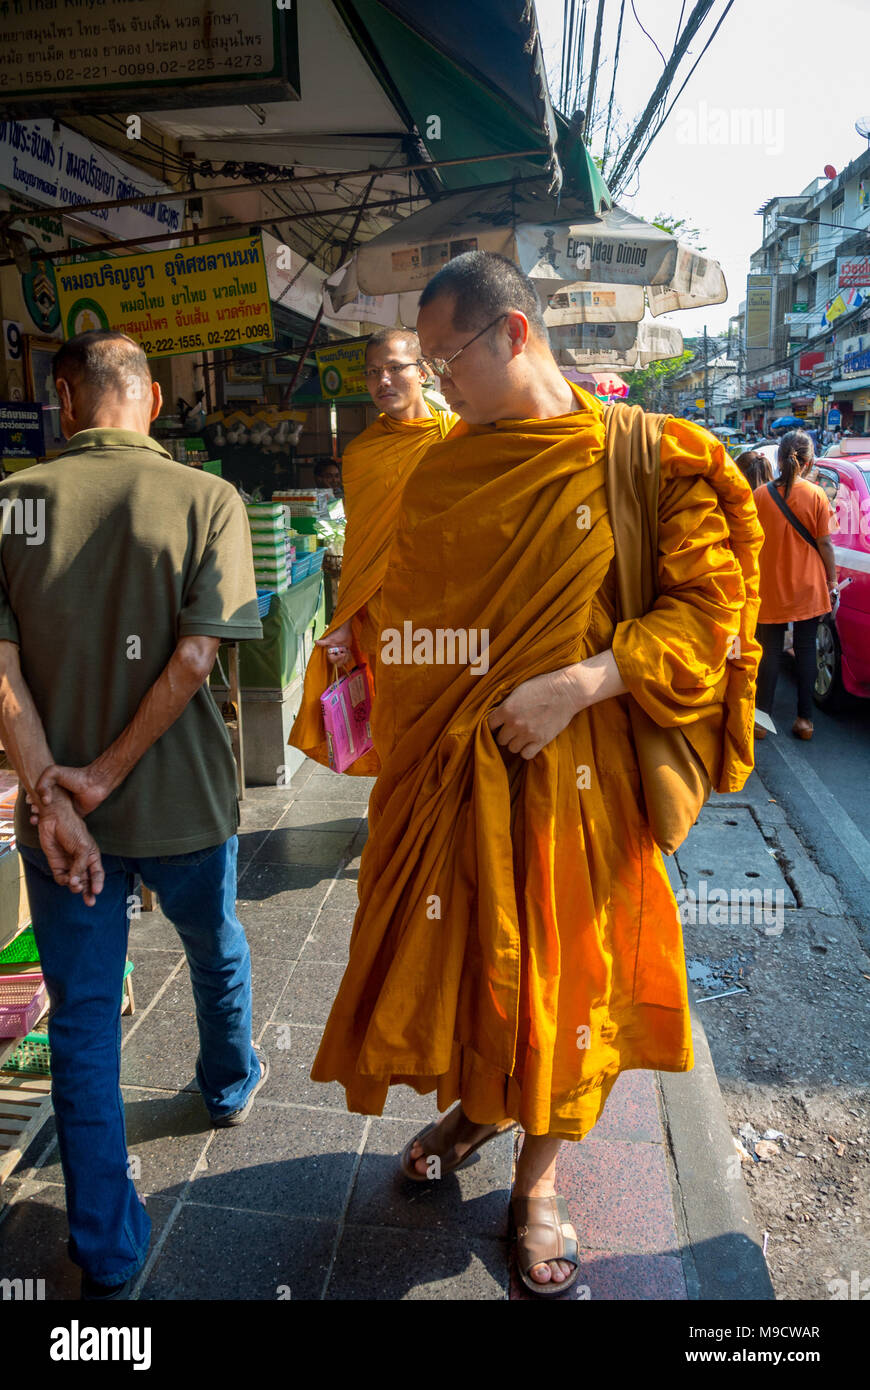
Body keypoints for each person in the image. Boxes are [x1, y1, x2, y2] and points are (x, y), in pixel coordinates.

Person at [309, 252, 763, 1294]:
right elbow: (419, 604)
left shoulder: (650, 458)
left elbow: (711, 612)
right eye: (423, 361)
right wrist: (365, 649)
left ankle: (539, 1183)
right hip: (460, 778)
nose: (435, 380)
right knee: (472, 963)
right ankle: (481, 1103)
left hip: (581, 790)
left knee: (564, 978)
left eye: (446, 356)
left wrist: (585, 681)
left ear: (513, 333)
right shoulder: (447, 464)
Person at [0, 330, 267, 1300]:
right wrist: (104, 776)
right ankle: (230, 1082)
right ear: (151, 400)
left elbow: (2, 671)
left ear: (65, 399)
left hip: (61, 825)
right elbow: (198, 657)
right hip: (186, 802)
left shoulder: (13, 507)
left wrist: (53, 792)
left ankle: (106, 1250)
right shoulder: (209, 500)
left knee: (80, 1024)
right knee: (214, 944)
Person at [288, 328, 457, 775]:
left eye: (395, 368)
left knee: (449, 727)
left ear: (422, 372)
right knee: (396, 727)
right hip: (386, 613)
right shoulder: (363, 454)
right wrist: (344, 624)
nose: (383, 381)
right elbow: (362, 547)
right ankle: (400, 823)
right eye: (372, 373)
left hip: (451, 606)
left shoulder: (459, 438)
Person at [752, 429, 838, 741]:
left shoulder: (760, 496)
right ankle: (804, 721)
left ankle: (761, 722)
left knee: (769, 652)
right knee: (805, 650)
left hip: (770, 585)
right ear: (809, 461)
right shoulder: (816, 495)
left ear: (778, 459)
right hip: (809, 585)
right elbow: (825, 544)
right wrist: (832, 581)